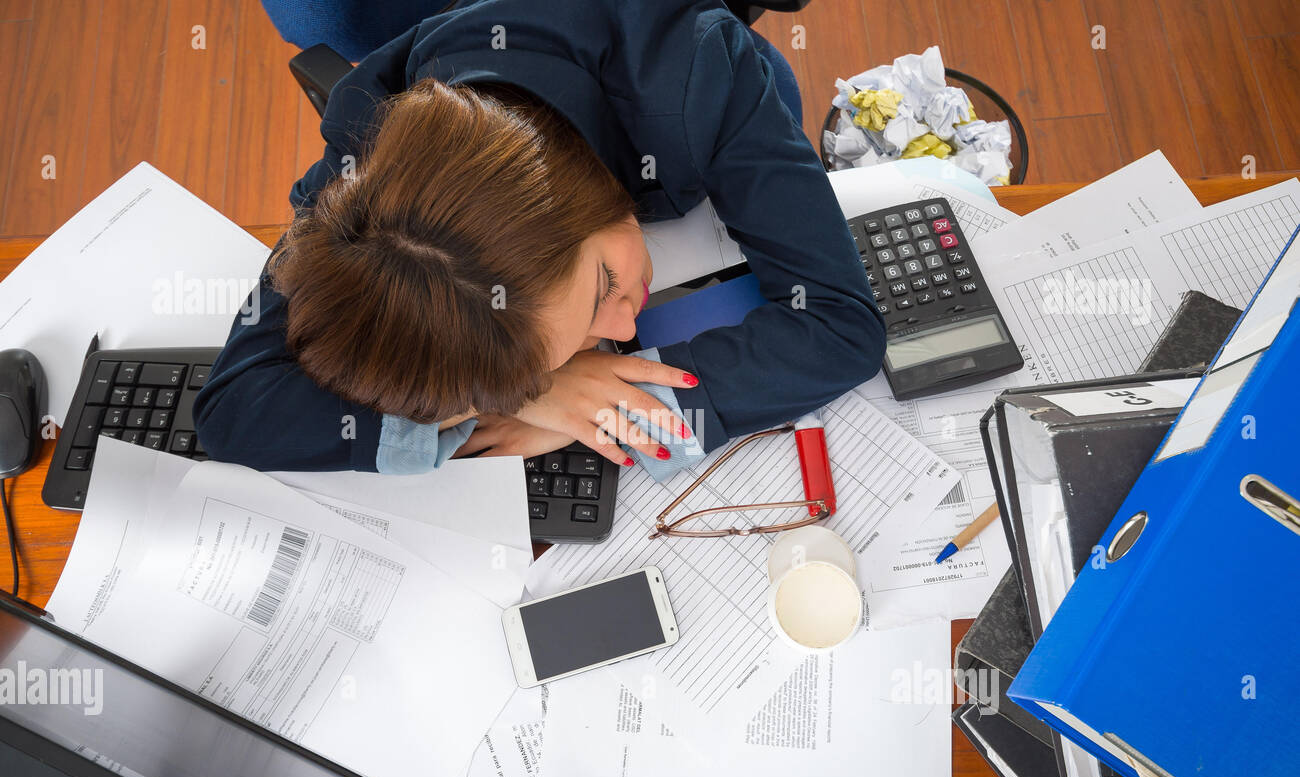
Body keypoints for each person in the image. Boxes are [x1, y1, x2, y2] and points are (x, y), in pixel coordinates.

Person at [194, 0, 883, 480]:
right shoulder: (370, 154)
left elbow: (843, 327)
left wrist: (612, 408)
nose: (626, 322)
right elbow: (233, 414)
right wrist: (523, 391)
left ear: (590, 186)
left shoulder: (703, 73)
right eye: (592, 321)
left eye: (604, 288)